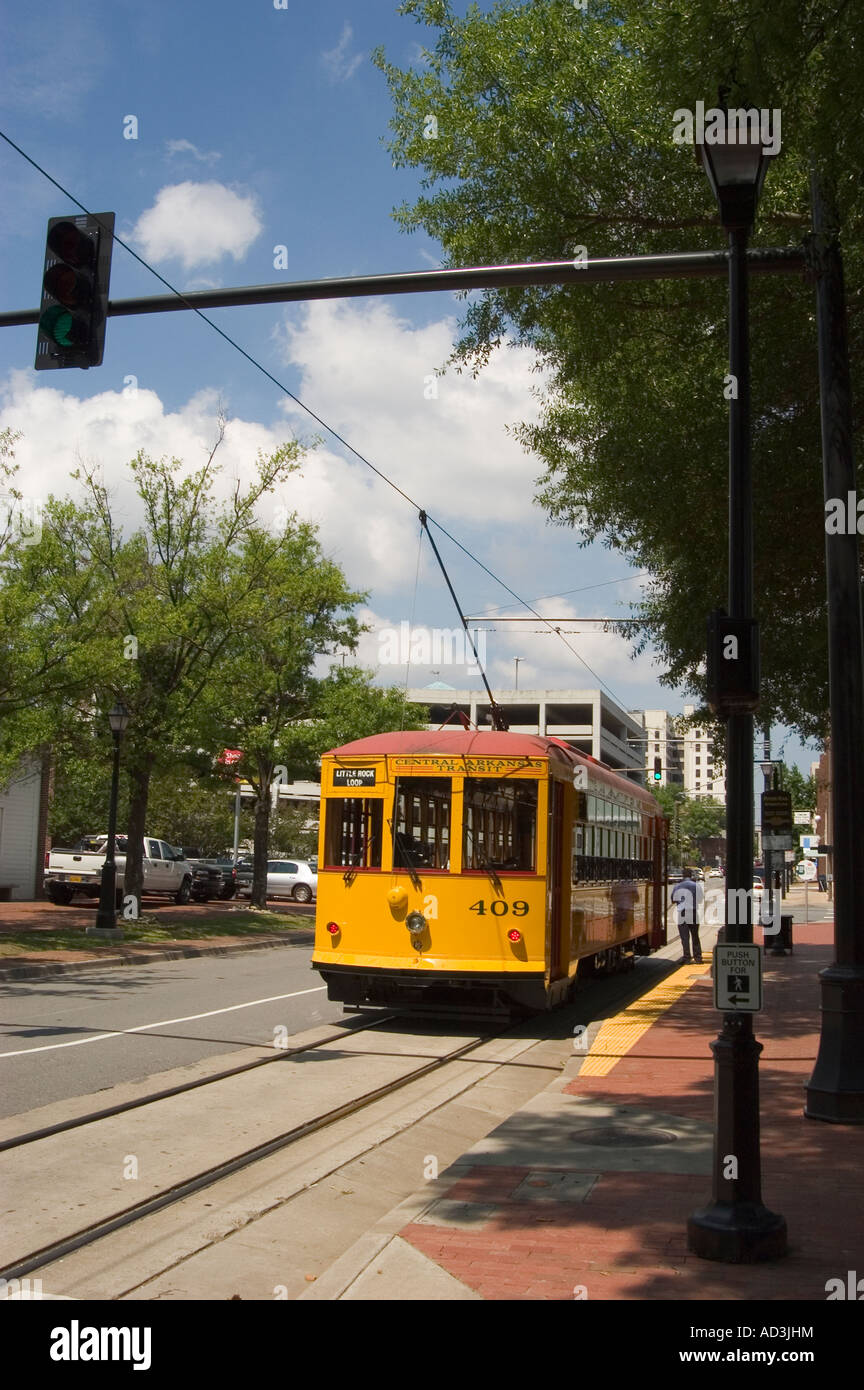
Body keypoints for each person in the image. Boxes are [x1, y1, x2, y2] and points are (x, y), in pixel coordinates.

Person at [671, 869, 704, 964]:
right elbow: (700, 899)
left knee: (684, 937)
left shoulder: (677, 886)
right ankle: (698, 958)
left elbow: (673, 899)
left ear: (683, 875)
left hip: (682, 912)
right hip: (693, 912)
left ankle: (687, 957)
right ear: (691, 875)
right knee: (695, 935)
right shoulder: (696, 885)